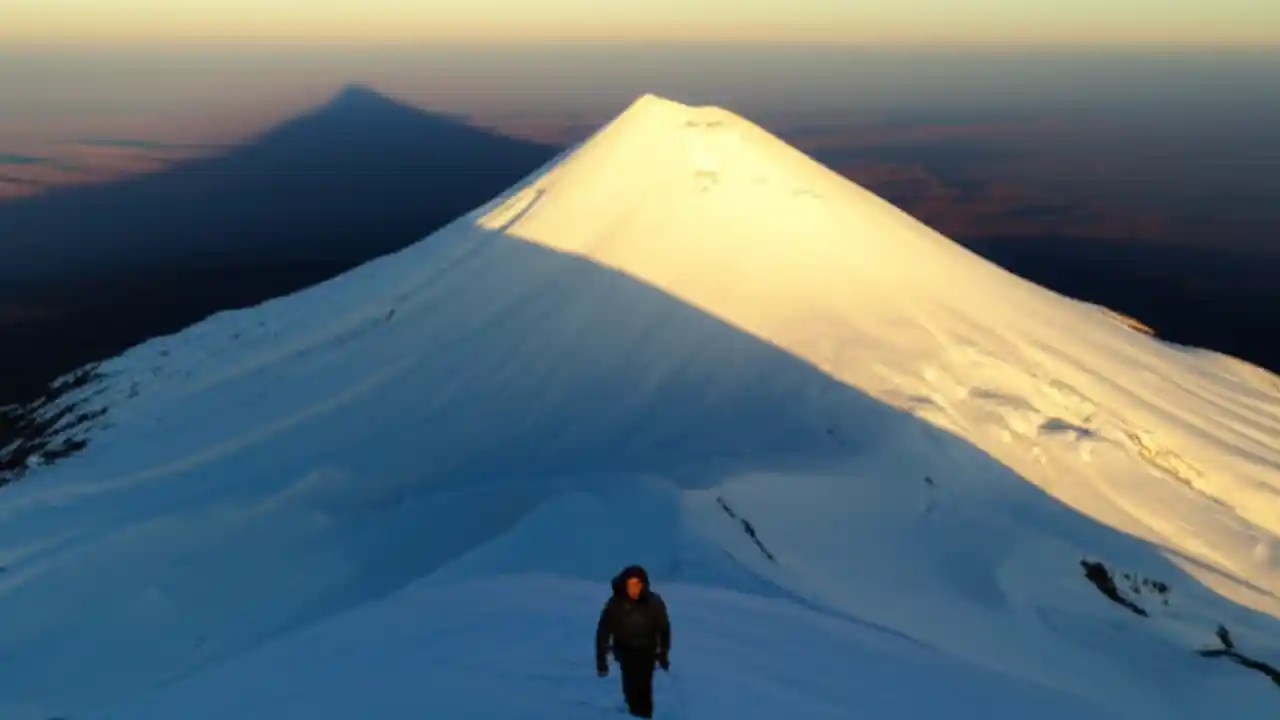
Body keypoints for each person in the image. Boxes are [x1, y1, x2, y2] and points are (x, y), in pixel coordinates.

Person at [595, 565, 671, 718]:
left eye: (638, 584)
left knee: (644, 689)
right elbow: (603, 632)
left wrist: (663, 654)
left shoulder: (653, 603)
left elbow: (664, 629)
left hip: (647, 651)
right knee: (630, 689)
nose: (635, 589)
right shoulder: (615, 605)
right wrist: (601, 661)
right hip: (625, 652)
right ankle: (635, 712)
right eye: (631, 584)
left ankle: (644, 715)